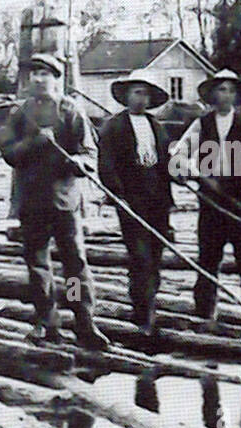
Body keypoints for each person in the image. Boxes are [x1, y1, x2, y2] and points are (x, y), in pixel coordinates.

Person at [0, 53, 109, 349]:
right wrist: (35, 142)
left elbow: (88, 152)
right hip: (31, 202)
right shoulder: (20, 112)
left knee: (74, 264)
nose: (38, 79)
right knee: (38, 265)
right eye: (34, 74)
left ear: (57, 79)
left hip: (64, 203)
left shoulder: (71, 111)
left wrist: (81, 164)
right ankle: (47, 322)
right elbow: (7, 152)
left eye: (45, 74)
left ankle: (83, 322)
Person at [169, 69, 241, 325]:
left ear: (237, 96)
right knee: (208, 260)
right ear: (213, 94)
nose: (226, 95)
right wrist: (198, 175)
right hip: (211, 201)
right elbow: (178, 156)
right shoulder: (201, 124)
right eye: (221, 89)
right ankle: (204, 314)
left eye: (231, 90)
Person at [97, 68, 173, 337]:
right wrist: (117, 195)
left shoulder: (157, 127)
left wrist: (171, 194)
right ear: (127, 96)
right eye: (137, 92)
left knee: (155, 255)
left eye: (146, 94)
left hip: (158, 198)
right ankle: (141, 313)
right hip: (131, 197)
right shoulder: (113, 126)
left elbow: (165, 164)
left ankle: (150, 305)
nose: (141, 99)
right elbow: (106, 165)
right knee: (139, 257)